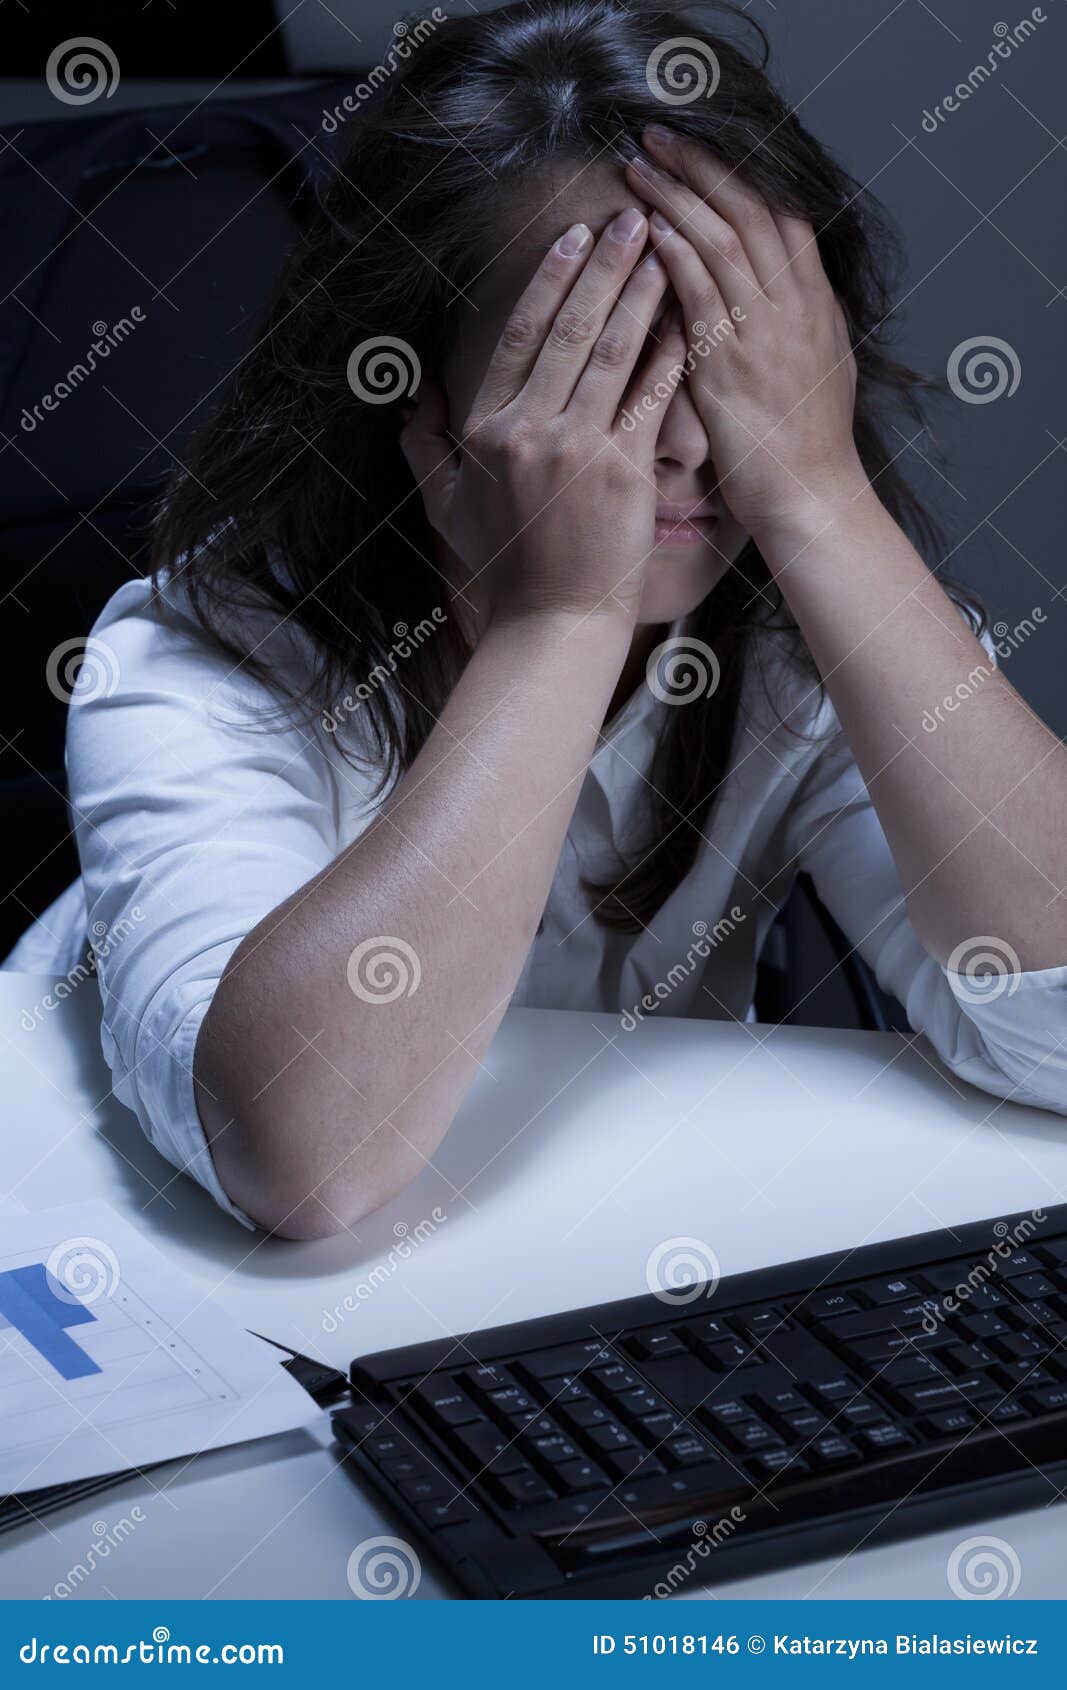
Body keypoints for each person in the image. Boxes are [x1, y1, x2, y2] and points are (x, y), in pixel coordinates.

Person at [7, 0, 1066, 1236]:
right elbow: (300, 1162)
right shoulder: (191, 661)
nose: (682, 441)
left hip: (584, 1283)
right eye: (596, 361)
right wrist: (560, 614)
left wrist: (819, 495)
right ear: (413, 382)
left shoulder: (795, 634)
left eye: (733, 363)